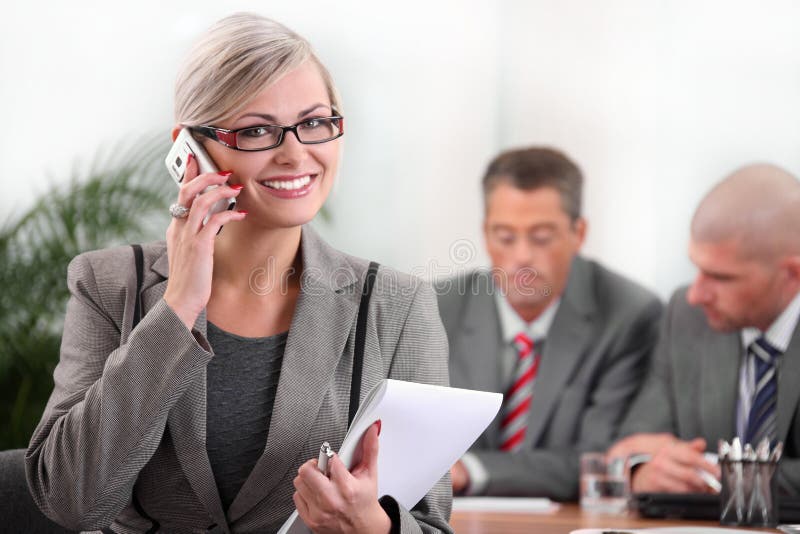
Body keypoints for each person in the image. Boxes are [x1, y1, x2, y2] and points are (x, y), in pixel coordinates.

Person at [25, 13, 452, 533]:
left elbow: (431, 524)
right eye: (255, 131)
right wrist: (177, 307)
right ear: (191, 152)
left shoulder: (395, 304)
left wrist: (376, 527)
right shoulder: (110, 285)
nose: (296, 153)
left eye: (315, 123)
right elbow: (72, 499)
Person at [437, 147, 662, 499]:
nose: (523, 255)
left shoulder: (629, 315)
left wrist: (471, 470)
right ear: (484, 234)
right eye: (505, 237)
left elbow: (603, 459)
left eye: (541, 237)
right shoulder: (434, 310)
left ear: (579, 233)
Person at [609, 163, 800, 495]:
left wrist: (713, 474)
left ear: (793, 274)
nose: (697, 293)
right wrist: (643, 471)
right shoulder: (687, 315)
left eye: (721, 277)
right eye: (697, 268)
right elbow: (635, 444)